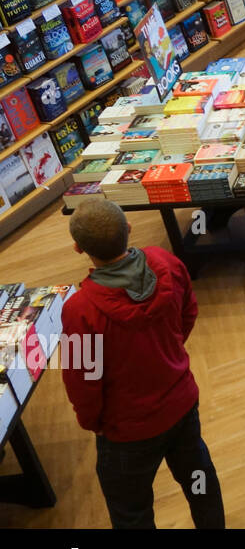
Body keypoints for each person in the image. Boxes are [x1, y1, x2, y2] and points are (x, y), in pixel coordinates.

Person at [62, 200, 225, 529]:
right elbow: (188, 311)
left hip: (127, 431)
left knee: (130, 510)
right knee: (199, 479)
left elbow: (83, 378)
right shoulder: (165, 261)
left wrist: (92, 421)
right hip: (181, 404)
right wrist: (170, 349)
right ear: (129, 229)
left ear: (78, 248)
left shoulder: (80, 310)